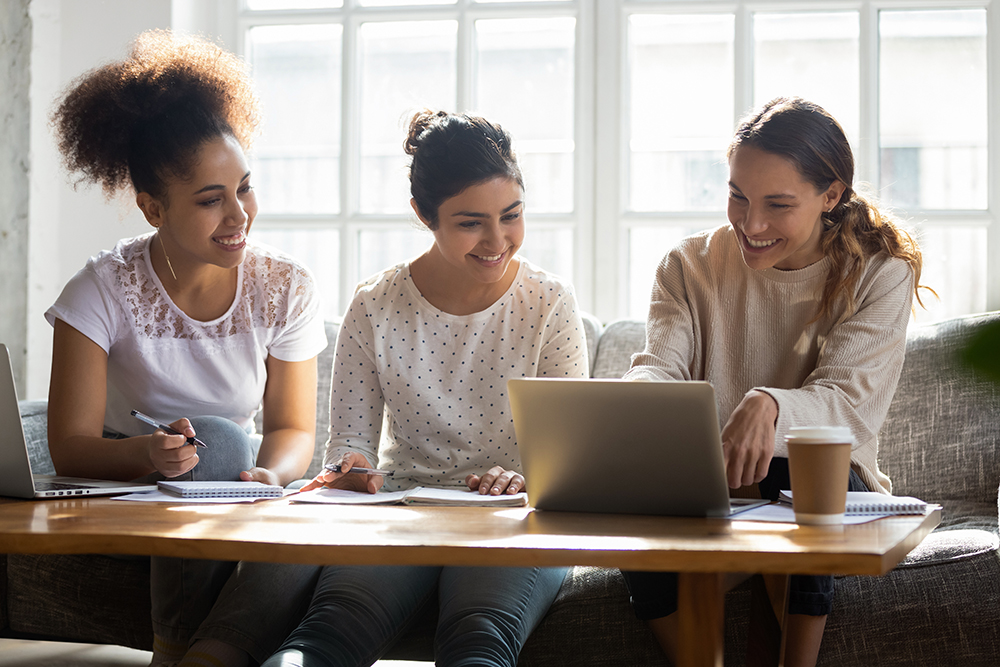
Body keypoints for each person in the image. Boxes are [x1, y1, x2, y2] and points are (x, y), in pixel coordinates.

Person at [259, 109, 589, 667]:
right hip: (402, 506)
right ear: (423, 214)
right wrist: (351, 469)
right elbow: (349, 443)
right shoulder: (375, 304)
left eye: (511, 215)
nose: (497, 240)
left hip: (513, 513)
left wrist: (528, 477)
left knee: (479, 641)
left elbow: (568, 457)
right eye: (470, 223)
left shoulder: (549, 301)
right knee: (328, 633)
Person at [46, 30, 327, 667]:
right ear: (153, 209)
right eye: (210, 200)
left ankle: (196, 656)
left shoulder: (285, 286)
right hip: (132, 482)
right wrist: (150, 454)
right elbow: (69, 448)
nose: (239, 215)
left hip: (239, 478)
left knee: (289, 505)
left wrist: (270, 477)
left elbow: (293, 430)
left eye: (244, 188)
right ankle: (177, 645)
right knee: (216, 439)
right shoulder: (101, 288)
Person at [621, 97, 929, 667]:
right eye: (738, 196)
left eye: (778, 204)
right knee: (632, 500)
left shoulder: (880, 270)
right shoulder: (687, 265)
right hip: (710, 482)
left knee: (795, 460)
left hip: (828, 491)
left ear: (830, 195)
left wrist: (767, 405)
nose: (751, 224)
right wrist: (633, 404)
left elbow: (848, 405)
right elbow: (659, 367)